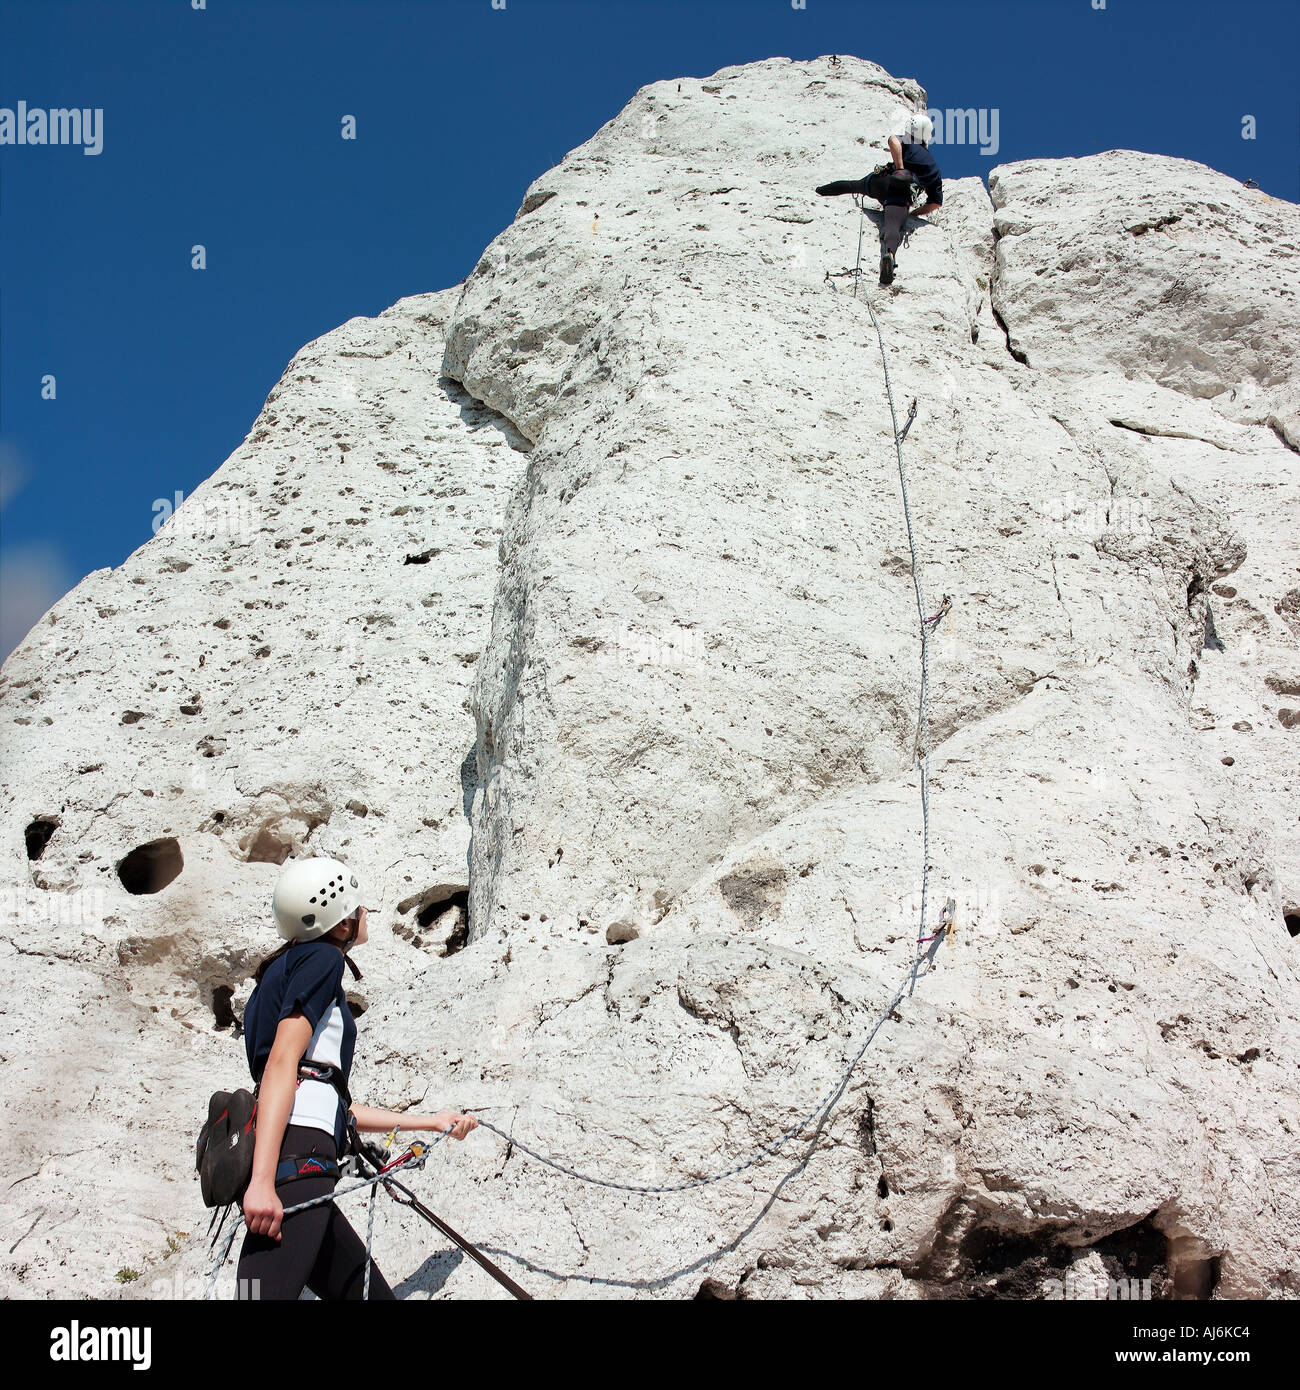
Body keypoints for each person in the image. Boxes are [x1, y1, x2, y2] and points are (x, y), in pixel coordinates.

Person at [237, 856, 478, 1300]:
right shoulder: (324, 959)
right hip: (296, 1161)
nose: (366, 913)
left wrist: (430, 1122)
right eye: (359, 907)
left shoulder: (279, 972)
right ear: (341, 921)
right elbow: (281, 1066)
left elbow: (329, 1103)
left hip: (303, 1159)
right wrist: (262, 1182)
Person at [815, 111, 943, 285]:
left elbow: (893, 139)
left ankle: (820, 191)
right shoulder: (933, 167)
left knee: (853, 186)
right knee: (893, 227)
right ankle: (889, 255)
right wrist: (913, 214)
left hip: (884, 182)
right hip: (901, 196)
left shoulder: (907, 141)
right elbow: (935, 203)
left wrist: (899, 169)